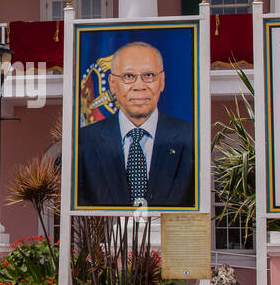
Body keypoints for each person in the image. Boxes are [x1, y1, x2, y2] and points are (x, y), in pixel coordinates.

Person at [77, 40, 195, 208]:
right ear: (112, 83)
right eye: (128, 76)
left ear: (161, 81)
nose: (139, 86)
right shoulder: (84, 142)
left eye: (149, 76)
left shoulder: (191, 138)